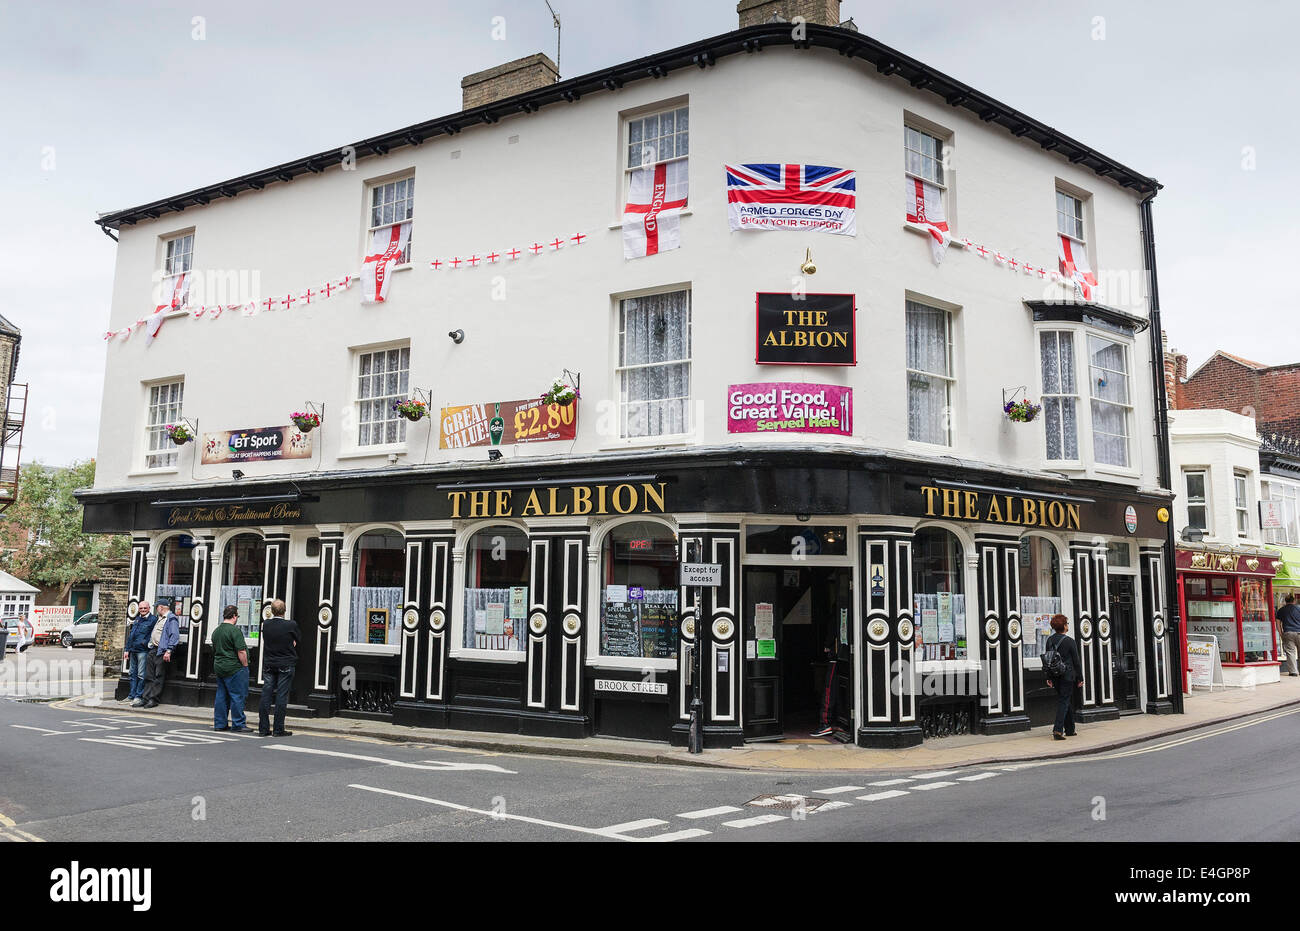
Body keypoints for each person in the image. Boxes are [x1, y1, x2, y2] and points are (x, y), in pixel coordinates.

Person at [257, 599, 300, 737]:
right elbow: (297, 639)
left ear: (272, 611)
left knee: (266, 695)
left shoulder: (266, 624)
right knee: (281, 696)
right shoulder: (291, 624)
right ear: (284, 610)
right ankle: (278, 729)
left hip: (269, 663)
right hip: (286, 664)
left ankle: (263, 729)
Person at [1043, 613, 1082, 740]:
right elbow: (1076, 661)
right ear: (1064, 626)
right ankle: (1058, 730)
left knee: (1065, 700)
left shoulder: (1049, 640)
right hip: (1067, 675)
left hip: (1055, 675)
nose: (1068, 626)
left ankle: (1070, 729)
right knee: (1064, 701)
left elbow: (1048, 659)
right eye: (1067, 624)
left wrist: (1048, 677)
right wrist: (1080, 678)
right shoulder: (1070, 641)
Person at [211, 605, 251, 731]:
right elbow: (241, 651)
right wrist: (245, 666)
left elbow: (215, 649)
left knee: (221, 696)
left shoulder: (216, 631)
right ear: (234, 616)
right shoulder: (235, 631)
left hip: (219, 667)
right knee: (237, 696)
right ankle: (238, 724)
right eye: (237, 616)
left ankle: (220, 724)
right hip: (234, 668)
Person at [137, 598, 179, 709]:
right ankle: (145, 698)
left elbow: (174, 636)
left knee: (158, 676)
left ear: (161, 607)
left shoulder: (171, 619)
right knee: (148, 675)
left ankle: (153, 699)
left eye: (157, 607)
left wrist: (169, 650)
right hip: (153, 649)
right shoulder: (160, 618)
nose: (156, 609)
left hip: (162, 651)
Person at [811, 614, 840, 739]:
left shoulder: (836, 612)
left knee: (829, 691)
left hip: (835, 658)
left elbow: (832, 630)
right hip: (844, 657)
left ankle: (825, 723)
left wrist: (827, 645)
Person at [122, 600, 154, 704]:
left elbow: (152, 636)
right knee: (132, 674)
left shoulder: (153, 620)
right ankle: (131, 696)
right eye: (141, 608)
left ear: (149, 608)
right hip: (133, 650)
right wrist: (127, 649)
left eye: (145, 608)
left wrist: (143, 643)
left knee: (141, 674)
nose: (143, 610)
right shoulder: (137, 619)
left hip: (143, 651)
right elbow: (131, 636)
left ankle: (138, 696)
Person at [1277, 594, 1300, 677]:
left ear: (1285, 601)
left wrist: (1281, 634)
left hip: (1288, 633)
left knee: (1290, 652)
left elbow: (1278, 624)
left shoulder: (1281, 610)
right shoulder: (1299, 608)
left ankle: (1293, 671)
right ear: (1294, 601)